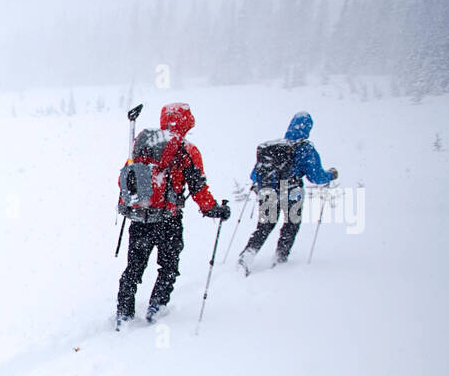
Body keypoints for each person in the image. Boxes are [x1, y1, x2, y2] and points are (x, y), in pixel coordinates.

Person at [116, 102, 231, 327]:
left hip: (140, 217)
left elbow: (125, 178)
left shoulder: (143, 143)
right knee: (168, 267)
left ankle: (123, 314)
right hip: (169, 220)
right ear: (187, 122)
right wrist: (213, 210)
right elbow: (198, 188)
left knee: (134, 268)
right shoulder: (186, 149)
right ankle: (155, 309)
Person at [239, 111, 337, 271]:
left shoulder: (274, 147)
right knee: (291, 224)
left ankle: (248, 255)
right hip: (291, 191)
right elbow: (317, 177)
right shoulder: (305, 149)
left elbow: (254, 175)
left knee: (265, 225)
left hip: (268, 190)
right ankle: (280, 258)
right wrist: (331, 175)